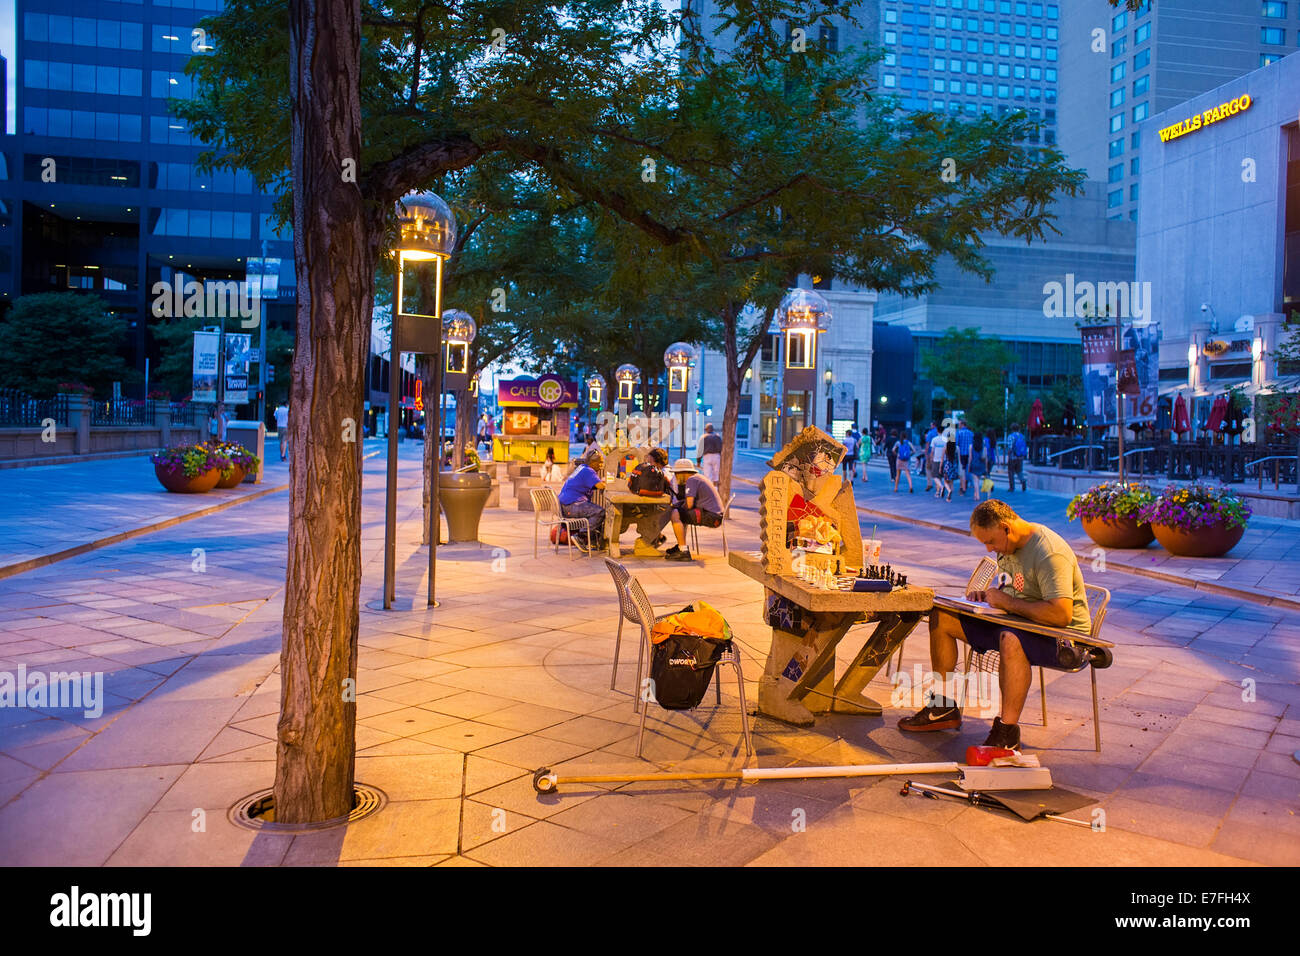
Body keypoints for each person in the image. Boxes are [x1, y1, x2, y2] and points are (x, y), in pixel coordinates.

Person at [898, 499, 1093, 750]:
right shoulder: (1007, 546)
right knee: (942, 616)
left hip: (1061, 638)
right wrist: (989, 599)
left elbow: (1061, 615)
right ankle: (943, 705)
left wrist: (1009, 603)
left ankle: (1007, 732)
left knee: (1011, 639)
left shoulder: (1048, 552)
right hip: (1018, 621)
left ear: (1006, 528)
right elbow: (1014, 589)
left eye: (990, 541)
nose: (990, 549)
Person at [653, 458, 726, 562]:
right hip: (714, 515)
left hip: (712, 517)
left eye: (677, 474)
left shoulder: (691, 480)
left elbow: (690, 504)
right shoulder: (697, 478)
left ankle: (683, 551)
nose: (676, 477)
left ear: (683, 473)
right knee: (680, 513)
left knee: (675, 514)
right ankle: (681, 546)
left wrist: (676, 508)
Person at [625, 447, 674, 556]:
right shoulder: (655, 472)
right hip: (655, 504)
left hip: (667, 506)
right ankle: (649, 541)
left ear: (658, 461)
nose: (648, 463)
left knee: (650, 512)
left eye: (650, 461)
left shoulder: (664, 473)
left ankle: (646, 541)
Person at [557, 452, 607, 552]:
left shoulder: (582, 468)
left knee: (594, 510)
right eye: (600, 463)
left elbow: (594, 484)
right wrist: (609, 482)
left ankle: (593, 543)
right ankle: (581, 536)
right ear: (592, 462)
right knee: (599, 512)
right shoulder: (588, 471)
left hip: (564, 505)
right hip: (571, 506)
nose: (601, 465)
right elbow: (600, 486)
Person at [967, 425, 987, 503]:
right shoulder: (983, 446)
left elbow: (970, 457)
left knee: (975, 481)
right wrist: (986, 467)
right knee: (978, 480)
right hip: (981, 465)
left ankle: (977, 495)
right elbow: (986, 457)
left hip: (974, 464)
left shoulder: (971, 446)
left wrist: (969, 466)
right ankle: (976, 495)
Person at [955, 417, 975, 495]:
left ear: (962, 424)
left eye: (959, 424)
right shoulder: (971, 433)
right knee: (968, 469)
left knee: (961, 471)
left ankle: (962, 487)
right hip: (969, 454)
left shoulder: (959, 433)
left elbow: (956, 444)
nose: (958, 426)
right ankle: (967, 483)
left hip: (961, 454)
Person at [1007, 424, 1028, 493]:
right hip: (1020, 457)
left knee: (1011, 472)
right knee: (1019, 471)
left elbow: (1010, 448)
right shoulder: (1022, 436)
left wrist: (1009, 455)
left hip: (1013, 457)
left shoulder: (1011, 436)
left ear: (1012, 429)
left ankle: (1012, 487)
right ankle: (1023, 480)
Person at [928, 426, 948, 497]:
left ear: (937, 430)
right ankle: (937, 492)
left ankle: (941, 487)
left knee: (935, 476)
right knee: (941, 476)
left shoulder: (934, 439)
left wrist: (930, 459)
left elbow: (932, 451)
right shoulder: (946, 440)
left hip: (936, 459)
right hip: (944, 459)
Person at [922, 421, 940, 491]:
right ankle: (937, 485)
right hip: (938, 454)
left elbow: (927, 444)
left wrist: (926, 454)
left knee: (928, 468)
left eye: (931, 425)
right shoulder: (939, 433)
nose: (930, 426)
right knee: (937, 470)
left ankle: (929, 484)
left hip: (930, 453)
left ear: (933, 425)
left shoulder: (930, 433)